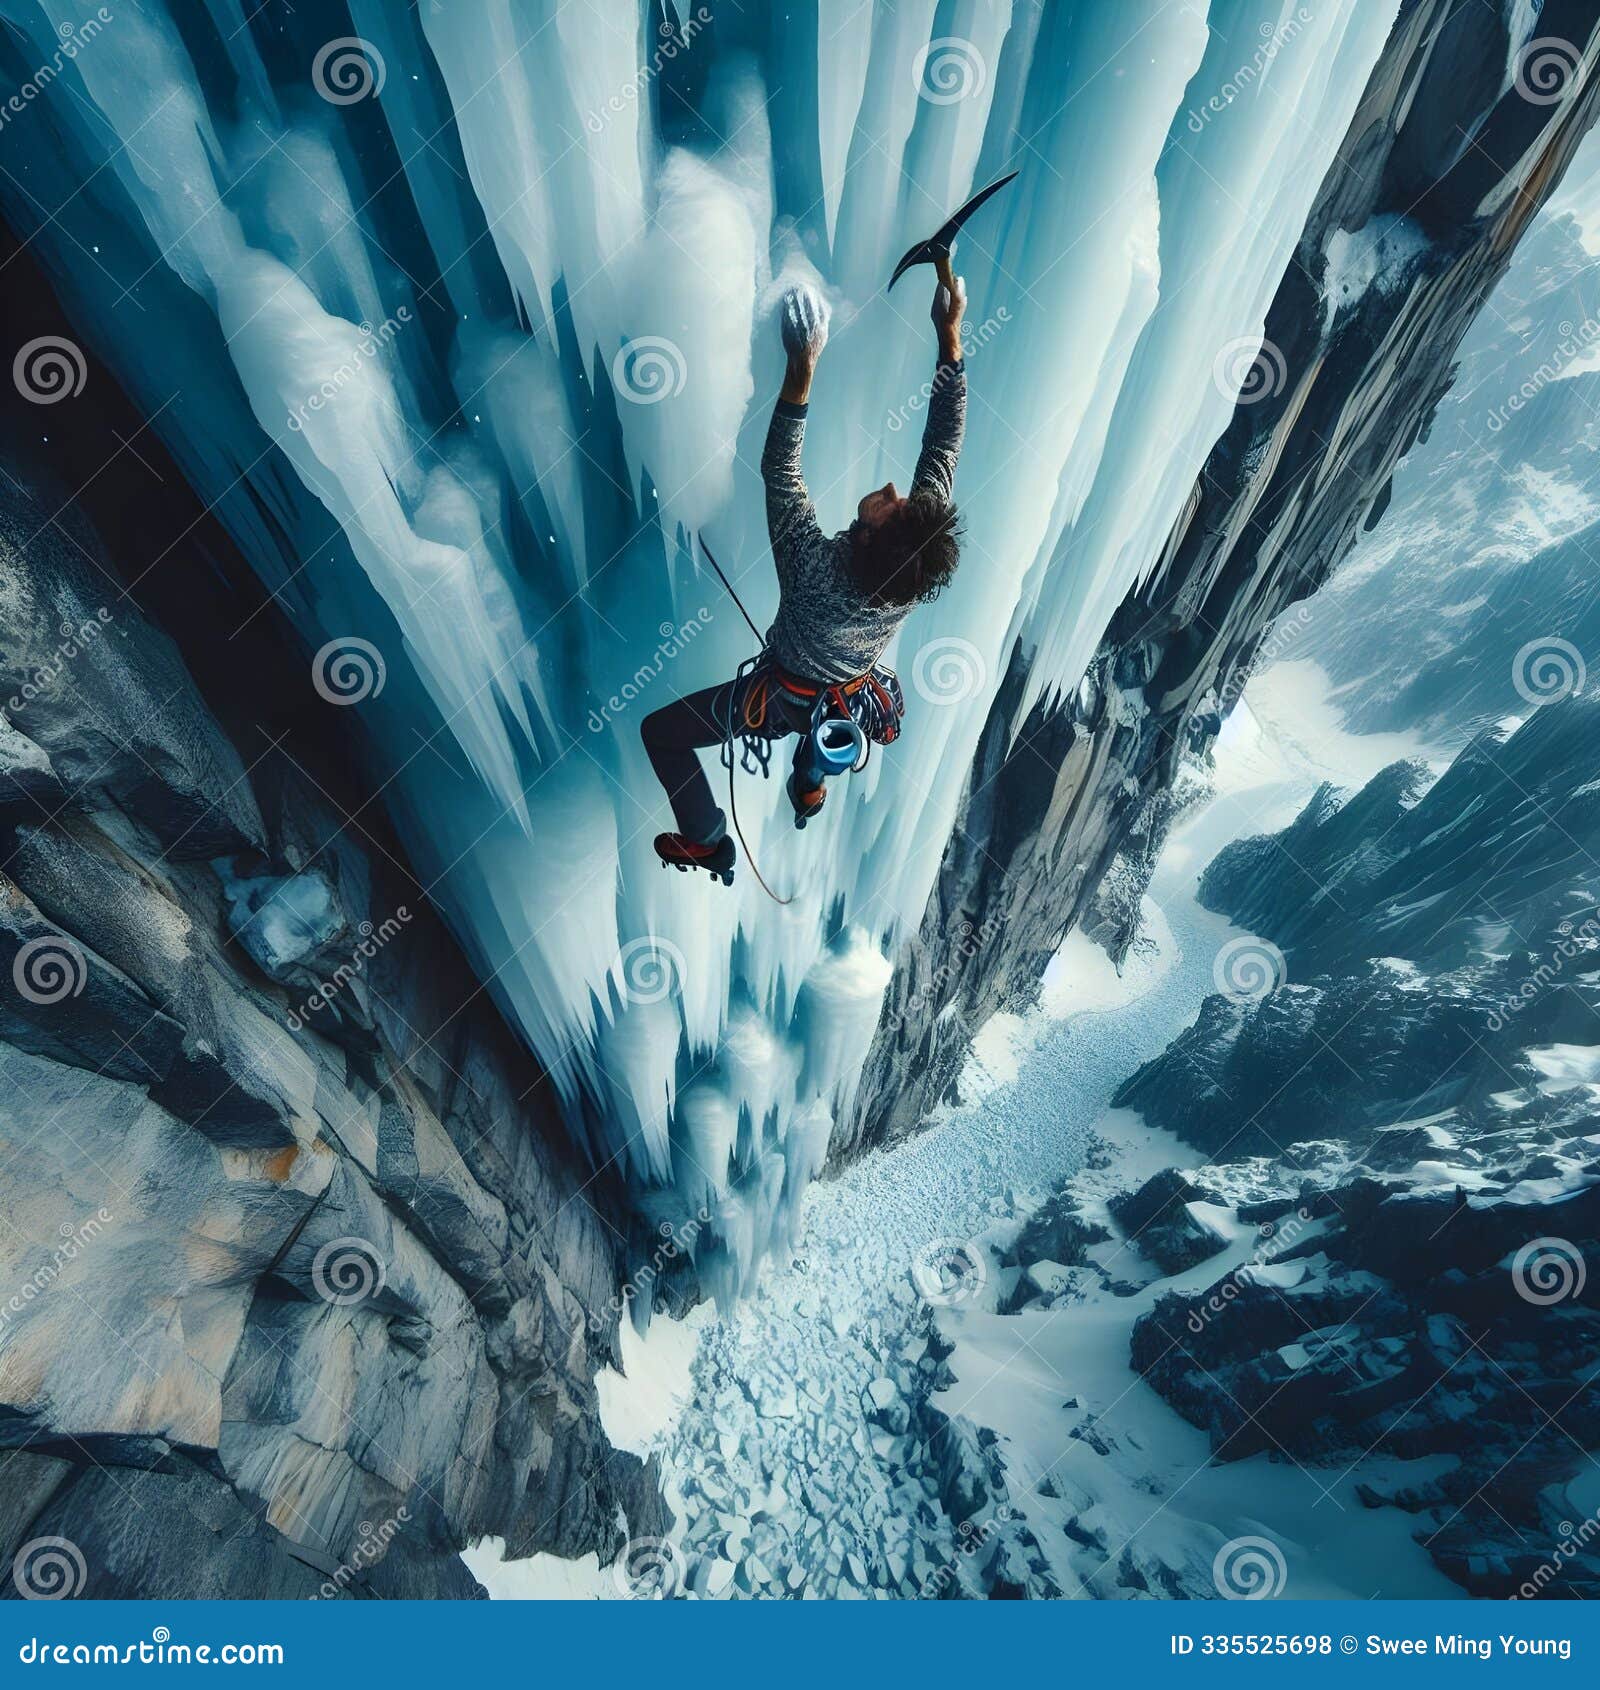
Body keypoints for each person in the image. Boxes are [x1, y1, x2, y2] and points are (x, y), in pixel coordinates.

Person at [641, 273, 968, 884]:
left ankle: (709, 838)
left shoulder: (813, 569)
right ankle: (809, 788)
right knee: (816, 747)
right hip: (845, 696)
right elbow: (943, 446)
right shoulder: (910, 571)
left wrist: (803, 365)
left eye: (889, 506)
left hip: (777, 698)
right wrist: (949, 336)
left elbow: (779, 468)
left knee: (660, 734)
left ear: (868, 534)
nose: (894, 491)